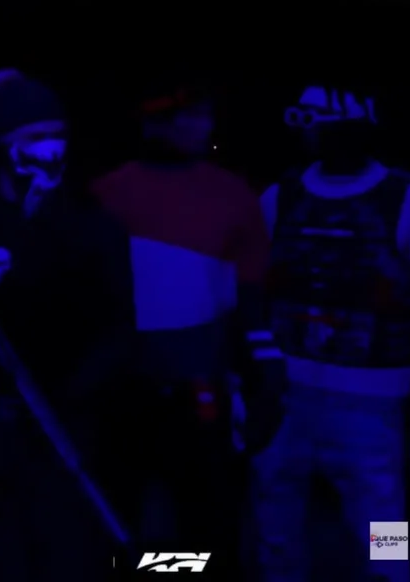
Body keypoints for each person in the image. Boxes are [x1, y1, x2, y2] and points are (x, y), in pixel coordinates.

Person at [0, 72, 135, 581]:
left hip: (60, 422)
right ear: (2, 145)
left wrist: (71, 394)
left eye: (58, 135)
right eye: (33, 137)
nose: (50, 148)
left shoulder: (92, 224)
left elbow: (120, 329)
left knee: (66, 555)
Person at [89, 87, 282, 574]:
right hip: (138, 393)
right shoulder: (106, 194)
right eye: (192, 115)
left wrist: (268, 378)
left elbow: (253, 303)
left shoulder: (404, 196)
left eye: (207, 115)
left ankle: (392, 565)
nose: (206, 126)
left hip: (372, 401)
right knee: (121, 528)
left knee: (382, 511)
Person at [252, 86, 410, 582]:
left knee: (384, 524)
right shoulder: (280, 196)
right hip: (286, 394)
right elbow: (254, 286)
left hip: (374, 401)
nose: (315, 133)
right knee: (274, 516)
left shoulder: (407, 198)